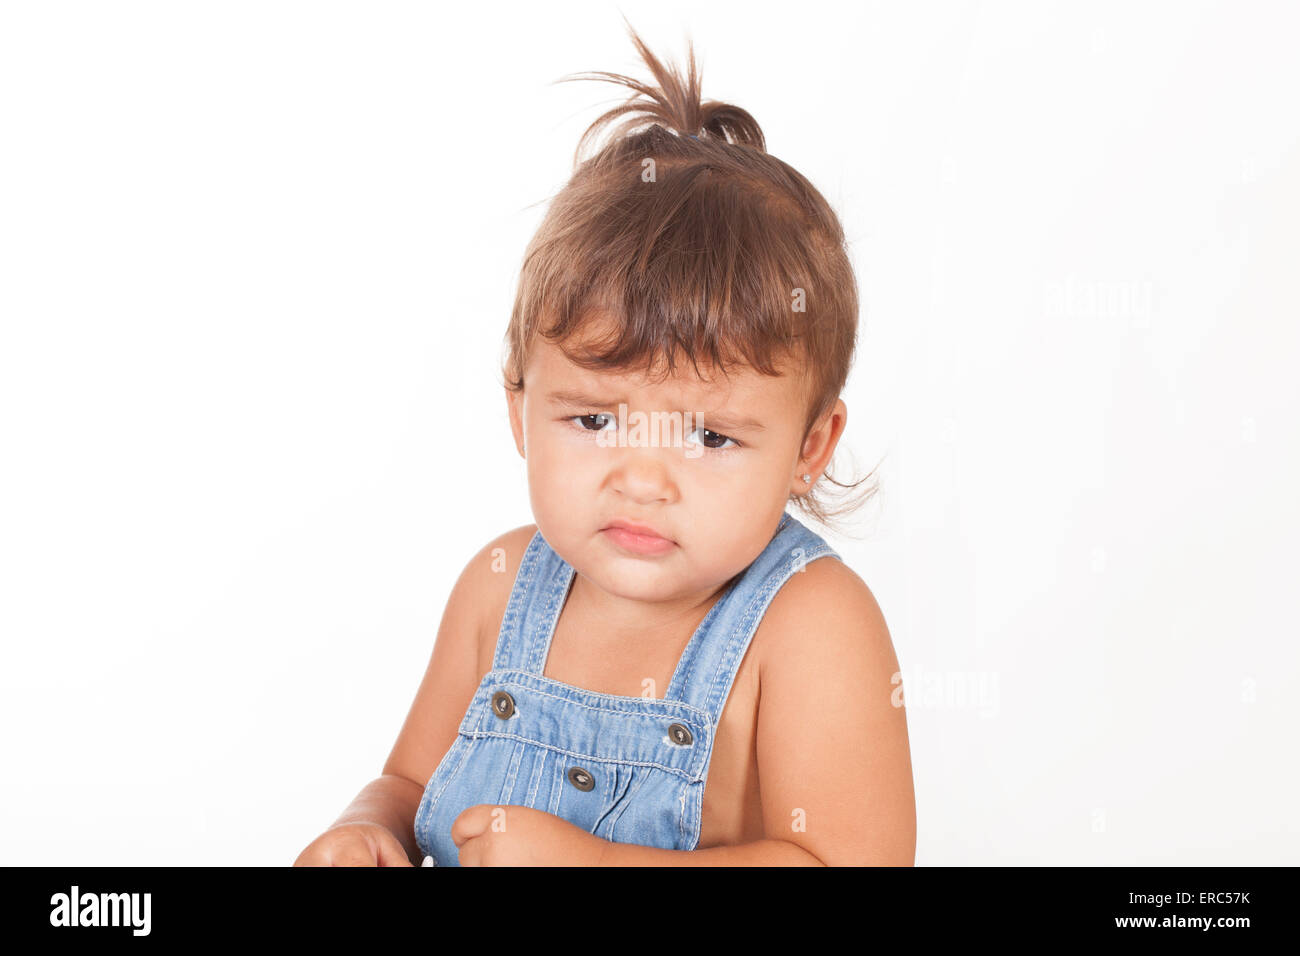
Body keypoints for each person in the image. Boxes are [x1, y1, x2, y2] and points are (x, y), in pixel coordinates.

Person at [295, 21, 915, 867]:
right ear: (520, 405)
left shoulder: (810, 625)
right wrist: (367, 828)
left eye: (709, 435)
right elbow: (408, 785)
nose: (643, 478)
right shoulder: (498, 592)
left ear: (811, 445)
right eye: (594, 420)